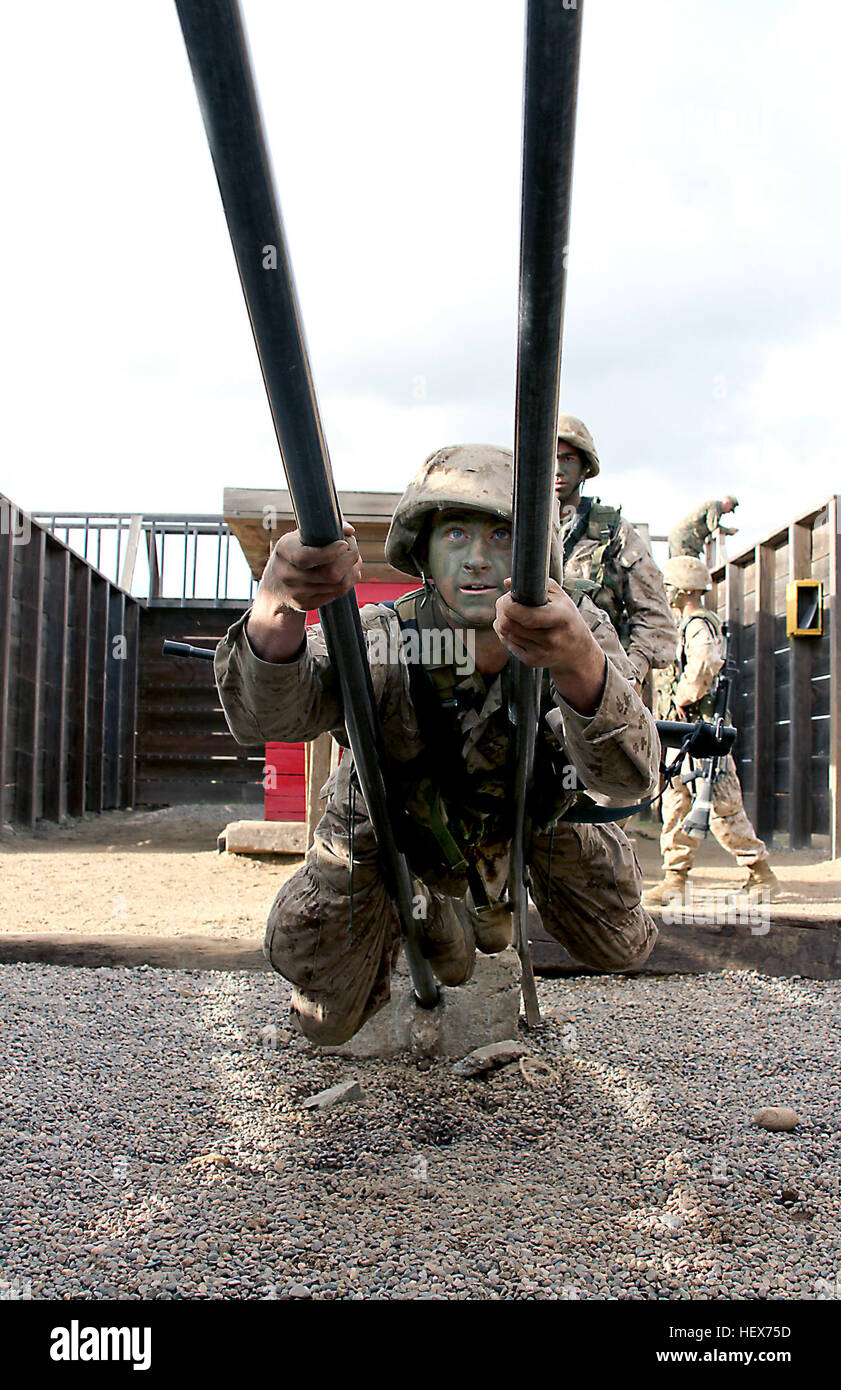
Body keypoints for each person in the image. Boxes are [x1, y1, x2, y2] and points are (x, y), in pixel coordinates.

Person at [215, 444, 661, 1045]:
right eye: (455, 533)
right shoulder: (387, 635)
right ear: (422, 551)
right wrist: (279, 604)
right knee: (326, 1018)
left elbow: (631, 777)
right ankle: (427, 911)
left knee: (621, 941)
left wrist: (577, 661)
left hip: (527, 820)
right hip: (395, 829)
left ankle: (461, 912)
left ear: (536, 554)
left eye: (502, 535)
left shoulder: (578, 626)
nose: (477, 560)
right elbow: (270, 713)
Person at [646, 556, 779, 905]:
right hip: (685, 732)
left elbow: (704, 663)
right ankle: (675, 878)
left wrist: (683, 696)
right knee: (675, 804)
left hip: (701, 733)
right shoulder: (687, 623)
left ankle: (760, 873)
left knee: (722, 807)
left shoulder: (697, 625)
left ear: (681, 588)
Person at [554, 414, 677, 688]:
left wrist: (630, 676)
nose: (557, 469)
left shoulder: (613, 532)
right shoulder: (512, 528)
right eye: (550, 457)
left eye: (567, 459)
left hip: (593, 681)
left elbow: (654, 617)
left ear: (586, 466)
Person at [668, 496, 739, 559]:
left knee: (678, 567)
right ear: (727, 503)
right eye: (730, 509)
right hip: (685, 541)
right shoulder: (714, 506)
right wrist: (729, 531)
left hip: (679, 539)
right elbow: (713, 527)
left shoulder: (712, 506)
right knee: (689, 567)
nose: (728, 512)